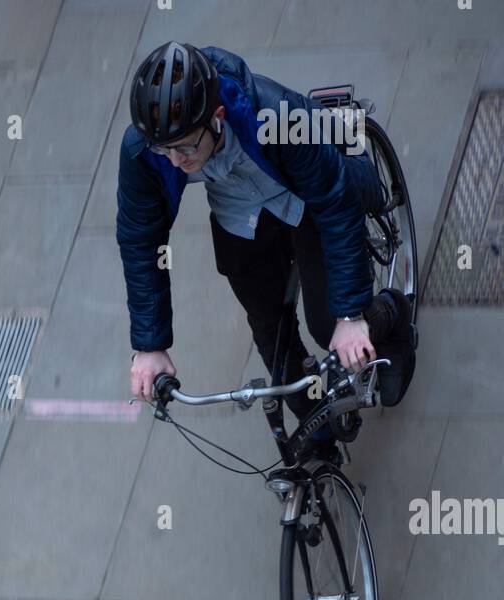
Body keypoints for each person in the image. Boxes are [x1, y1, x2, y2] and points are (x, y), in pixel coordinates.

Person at [118, 42, 416, 449]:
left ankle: (394, 316)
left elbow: (334, 200)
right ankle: (318, 430)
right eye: (163, 149)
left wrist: (350, 315)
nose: (174, 160)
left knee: (329, 323)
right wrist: (150, 345)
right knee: (271, 334)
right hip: (240, 213)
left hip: (304, 196)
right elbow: (140, 240)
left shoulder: (275, 116)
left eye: (186, 147)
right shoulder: (144, 150)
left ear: (217, 118)